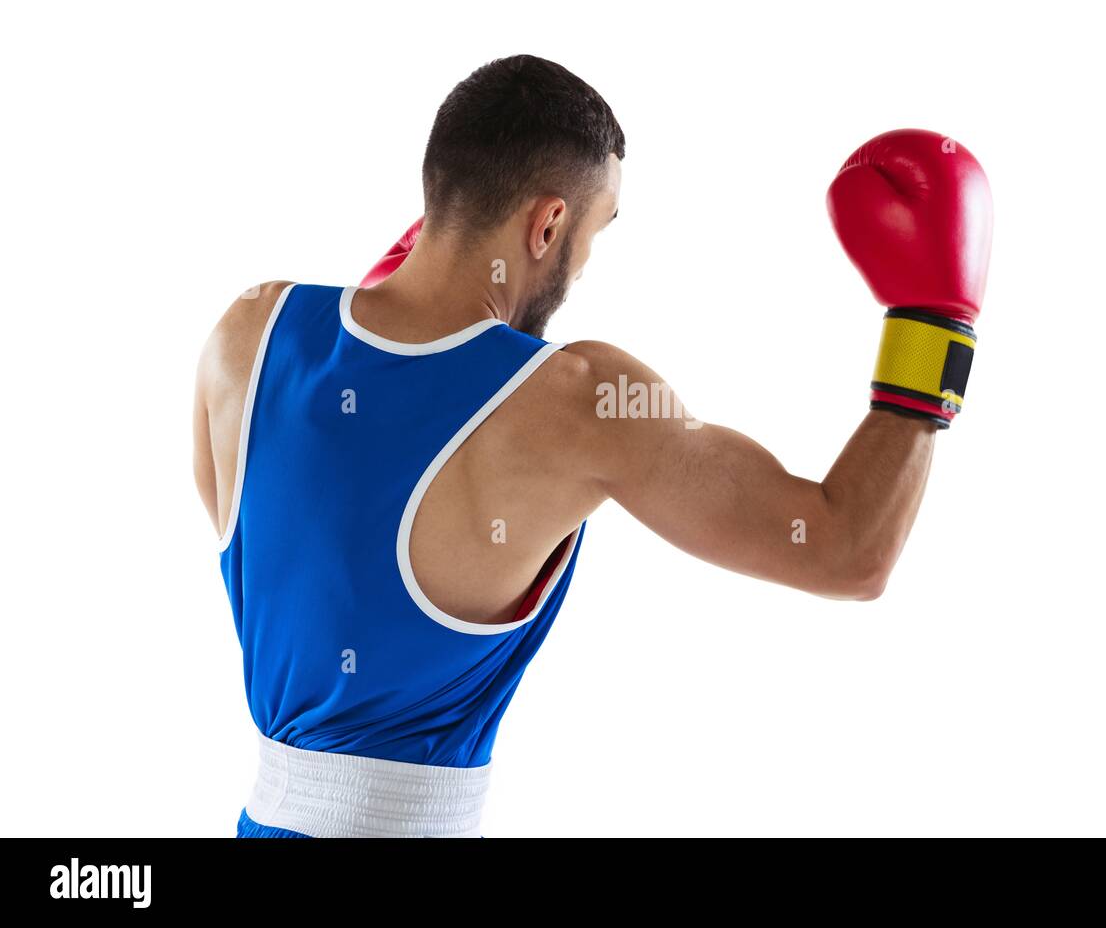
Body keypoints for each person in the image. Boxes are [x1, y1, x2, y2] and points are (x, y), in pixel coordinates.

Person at [191, 54, 992, 837]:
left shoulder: (247, 335)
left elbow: (298, 541)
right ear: (547, 222)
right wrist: (934, 319)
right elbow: (846, 549)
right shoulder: (579, 400)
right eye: (594, 230)